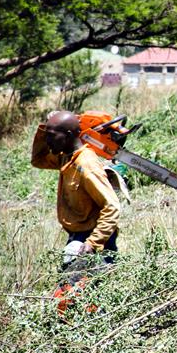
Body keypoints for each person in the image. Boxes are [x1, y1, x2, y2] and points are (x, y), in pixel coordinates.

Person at [31, 111, 121, 266]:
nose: (48, 141)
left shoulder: (86, 164)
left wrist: (93, 242)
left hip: (94, 239)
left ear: (67, 135)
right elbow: (38, 160)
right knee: (73, 287)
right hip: (78, 235)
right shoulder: (65, 156)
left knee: (84, 286)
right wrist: (44, 128)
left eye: (52, 136)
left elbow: (112, 206)